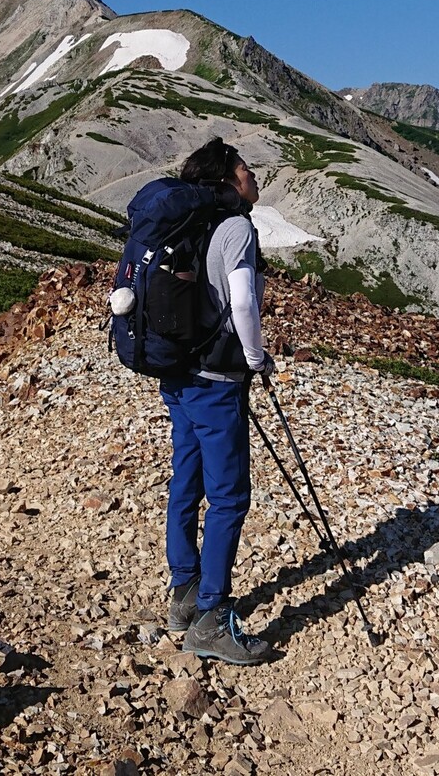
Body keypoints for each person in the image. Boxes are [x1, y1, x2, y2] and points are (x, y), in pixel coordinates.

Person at [164, 138, 277, 665]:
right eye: (246, 167)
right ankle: (211, 618)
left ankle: (183, 591)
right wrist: (255, 358)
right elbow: (243, 300)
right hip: (216, 379)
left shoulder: (190, 220)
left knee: (186, 478)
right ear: (229, 178)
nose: (254, 175)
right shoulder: (235, 226)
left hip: (178, 373)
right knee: (229, 497)